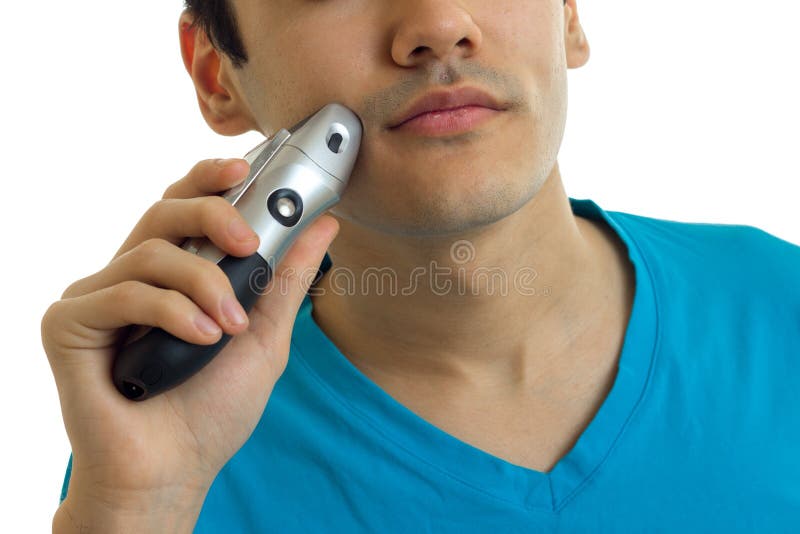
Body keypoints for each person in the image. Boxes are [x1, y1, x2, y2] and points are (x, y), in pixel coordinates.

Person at [42, 1, 800, 532]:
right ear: (216, 74)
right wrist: (134, 513)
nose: (438, 24)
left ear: (567, 11)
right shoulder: (165, 455)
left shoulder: (782, 306)